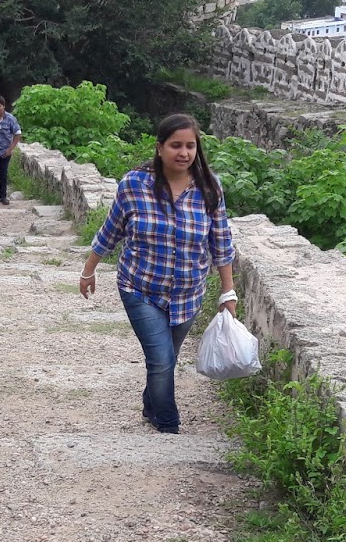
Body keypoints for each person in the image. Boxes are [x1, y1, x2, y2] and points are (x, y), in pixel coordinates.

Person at [78, 113, 236, 434]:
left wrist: (228, 291)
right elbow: (111, 231)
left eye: (190, 146)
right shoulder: (135, 185)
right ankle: (168, 427)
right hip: (140, 288)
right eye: (176, 145)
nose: (184, 153)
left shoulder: (209, 188)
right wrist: (88, 270)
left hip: (188, 295)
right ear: (159, 147)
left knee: (165, 360)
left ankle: (151, 406)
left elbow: (221, 242)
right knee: (162, 360)